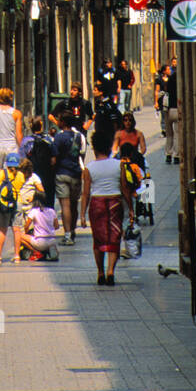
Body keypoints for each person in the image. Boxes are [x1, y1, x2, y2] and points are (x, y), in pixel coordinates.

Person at [81, 131, 132, 286]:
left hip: (97, 204)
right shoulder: (119, 165)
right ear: (110, 147)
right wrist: (131, 208)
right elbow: (124, 188)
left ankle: (100, 272)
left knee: (98, 239)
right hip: (115, 203)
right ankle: (111, 271)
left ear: (95, 148)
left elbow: (86, 193)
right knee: (114, 237)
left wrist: (82, 215)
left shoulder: (89, 168)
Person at [52, 110, 84, 245]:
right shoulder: (78, 136)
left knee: (65, 205)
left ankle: (67, 235)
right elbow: (81, 154)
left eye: (58, 120)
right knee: (74, 204)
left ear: (63, 122)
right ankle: (73, 230)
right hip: (76, 173)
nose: (57, 122)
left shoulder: (58, 138)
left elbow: (54, 159)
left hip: (62, 173)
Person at [0, 155, 25, 264]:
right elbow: (21, 185)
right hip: (17, 202)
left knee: (2, 230)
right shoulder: (21, 175)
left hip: (4, 204)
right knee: (16, 230)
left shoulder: (3, 173)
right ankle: (17, 256)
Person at [18, 190, 62, 261]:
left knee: (19, 236)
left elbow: (26, 226)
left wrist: (28, 233)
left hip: (40, 240)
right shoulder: (51, 211)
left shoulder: (34, 211)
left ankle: (36, 252)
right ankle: (50, 249)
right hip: (52, 239)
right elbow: (57, 226)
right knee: (48, 241)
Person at [0, 88, 23, 167]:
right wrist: (21, 148)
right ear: (11, 98)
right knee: (11, 173)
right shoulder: (17, 113)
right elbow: (18, 134)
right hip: (11, 146)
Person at [25, 118, 56, 209]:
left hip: (32, 173)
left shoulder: (26, 141)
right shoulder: (48, 140)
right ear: (41, 127)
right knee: (48, 197)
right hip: (47, 174)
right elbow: (54, 159)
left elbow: (23, 158)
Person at [164, 67, 180, 164]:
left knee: (169, 134)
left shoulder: (170, 80)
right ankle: (176, 155)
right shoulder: (180, 79)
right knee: (177, 135)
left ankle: (168, 154)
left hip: (168, 109)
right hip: (177, 109)